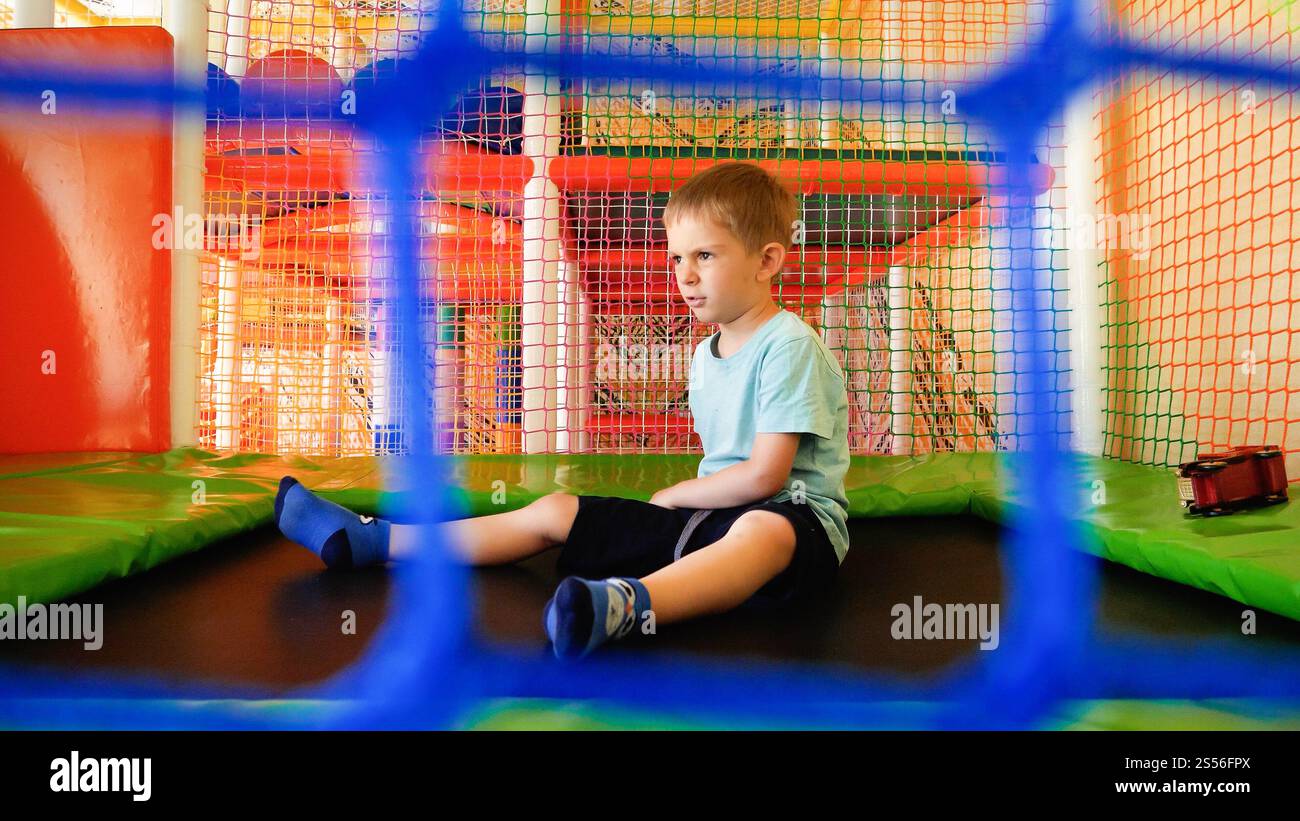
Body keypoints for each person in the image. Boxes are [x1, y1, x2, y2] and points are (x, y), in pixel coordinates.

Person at [274, 161, 851, 659]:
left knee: (759, 534)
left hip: (794, 521)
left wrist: (674, 497)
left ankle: (628, 606)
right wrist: (679, 506)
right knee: (555, 509)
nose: (686, 275)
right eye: (677, 257)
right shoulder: (706, 353)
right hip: (709, 518)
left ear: (768, 260)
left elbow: (765, 476)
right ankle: (375, 543)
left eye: (706, 255)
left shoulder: (789, 344)